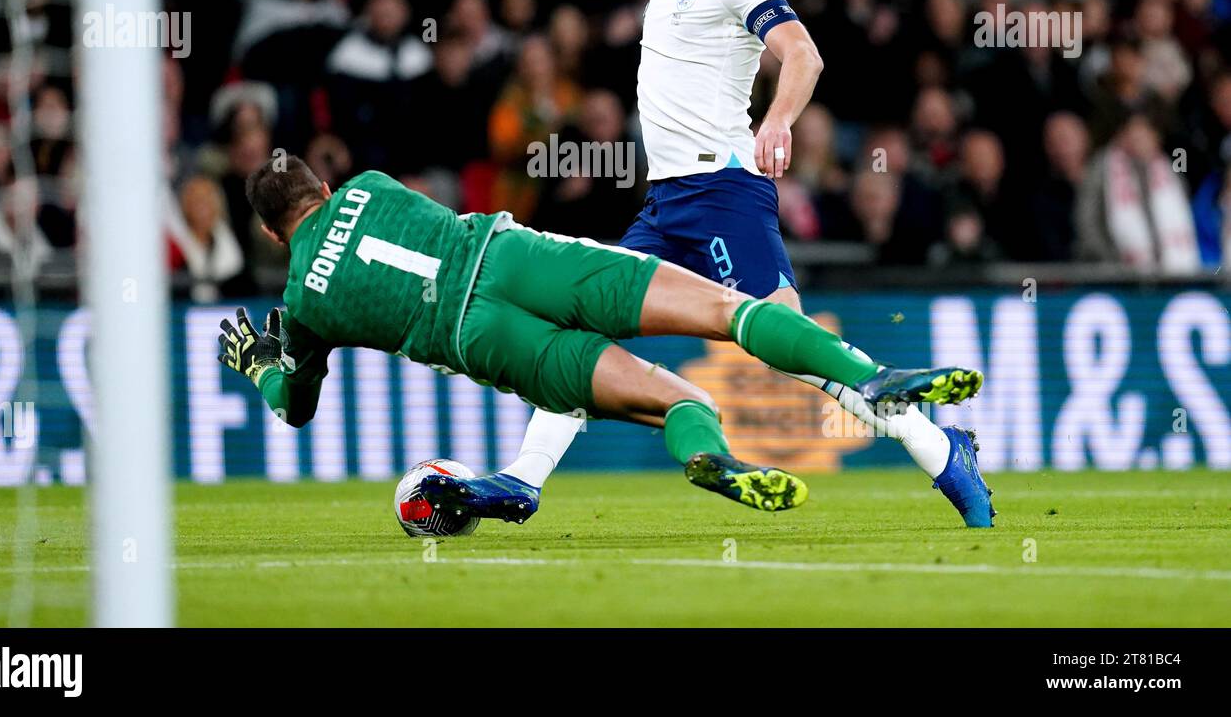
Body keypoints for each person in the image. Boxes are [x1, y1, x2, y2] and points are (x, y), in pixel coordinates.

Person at [485, 0, 997, 527]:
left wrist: (779, 120)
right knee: (581, 326)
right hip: (667, 202)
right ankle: (524, 479)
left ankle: (938, 446)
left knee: (783, 340)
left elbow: (803, 55)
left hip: (722, 191)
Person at [218, 157, 983, 520]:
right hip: (515, 259)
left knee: (676, 395)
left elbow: (295, 404)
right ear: (322, 185)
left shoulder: (301, 301)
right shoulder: (371, 184)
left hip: (476, 338)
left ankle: (704, 456)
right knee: (725, 309)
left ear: (266, 232)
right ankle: (868, 376)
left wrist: (263, 368)